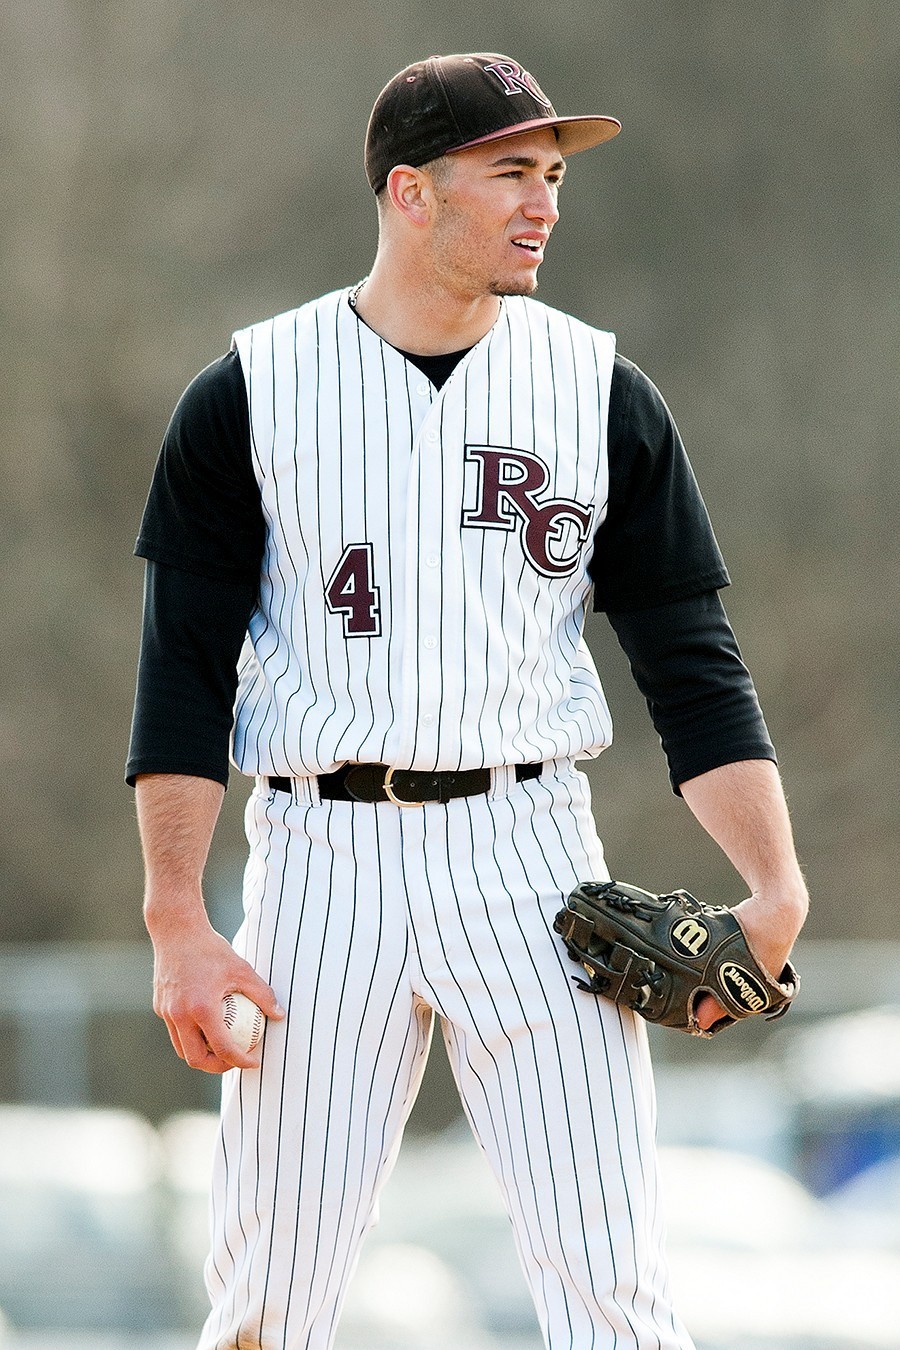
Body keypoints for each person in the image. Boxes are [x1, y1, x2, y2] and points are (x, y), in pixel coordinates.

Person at [128, 52, 808, 1350]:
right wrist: (175, 917)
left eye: (552, 176)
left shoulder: (600, 391)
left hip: (531, 850)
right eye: (510, 173)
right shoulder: (251, 395)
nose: (545, 203)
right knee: (270, 1292)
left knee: (611, 1281)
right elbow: (181, 673)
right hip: (323, 854)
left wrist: (774, 882)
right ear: (409, 193)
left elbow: (691, 656)